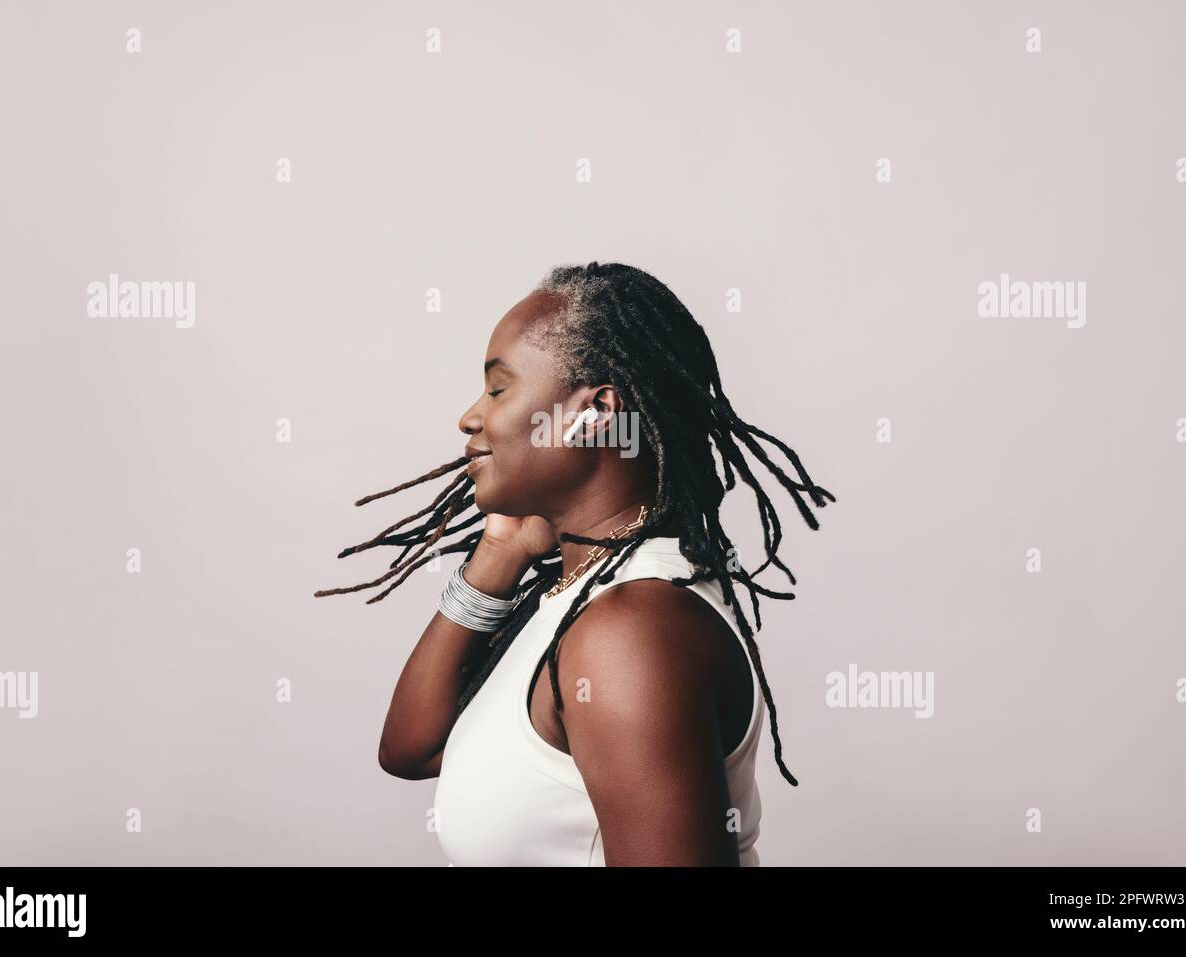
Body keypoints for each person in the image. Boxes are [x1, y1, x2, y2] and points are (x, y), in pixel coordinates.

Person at [316, 261, 835, 865]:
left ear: (597, 413)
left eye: (498, 388)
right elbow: (413, 749)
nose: (471, 417)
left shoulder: (629, 628)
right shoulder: (583, 597)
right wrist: (500, 552)